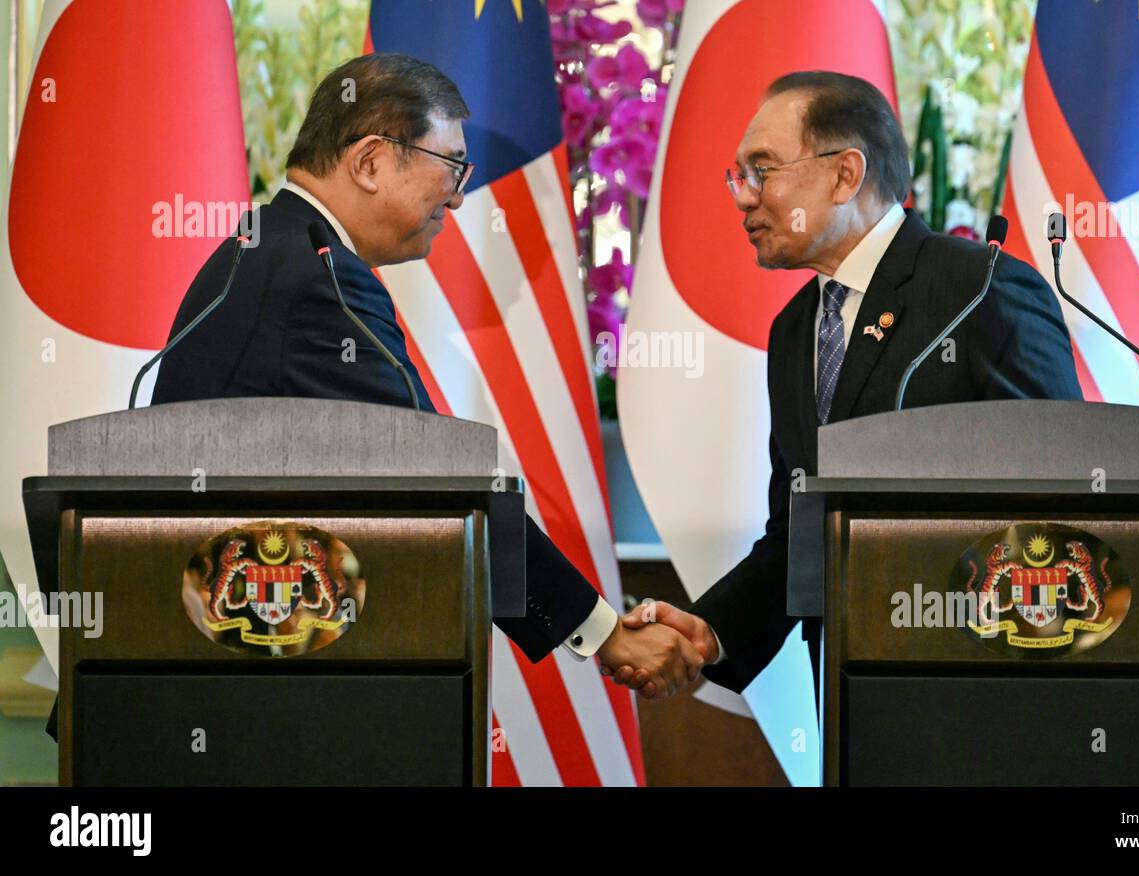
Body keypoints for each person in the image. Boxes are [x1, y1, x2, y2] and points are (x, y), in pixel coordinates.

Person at [153, 52, 701, 694]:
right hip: (236, 692)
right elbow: (440, 481)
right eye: (451, 166)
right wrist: (603, 630)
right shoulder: (317, 279)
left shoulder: (270, 245)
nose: (462, 195)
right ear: (370, 162)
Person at [611, 70, 1082, 697]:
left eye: (763, 169)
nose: (743, 198)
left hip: (987, 688)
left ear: (844, 174)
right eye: (740, 176)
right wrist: (708, 631)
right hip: (849, 694)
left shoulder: (978, 289)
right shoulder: (796, 328)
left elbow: (1064, 498)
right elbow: (801, 531)